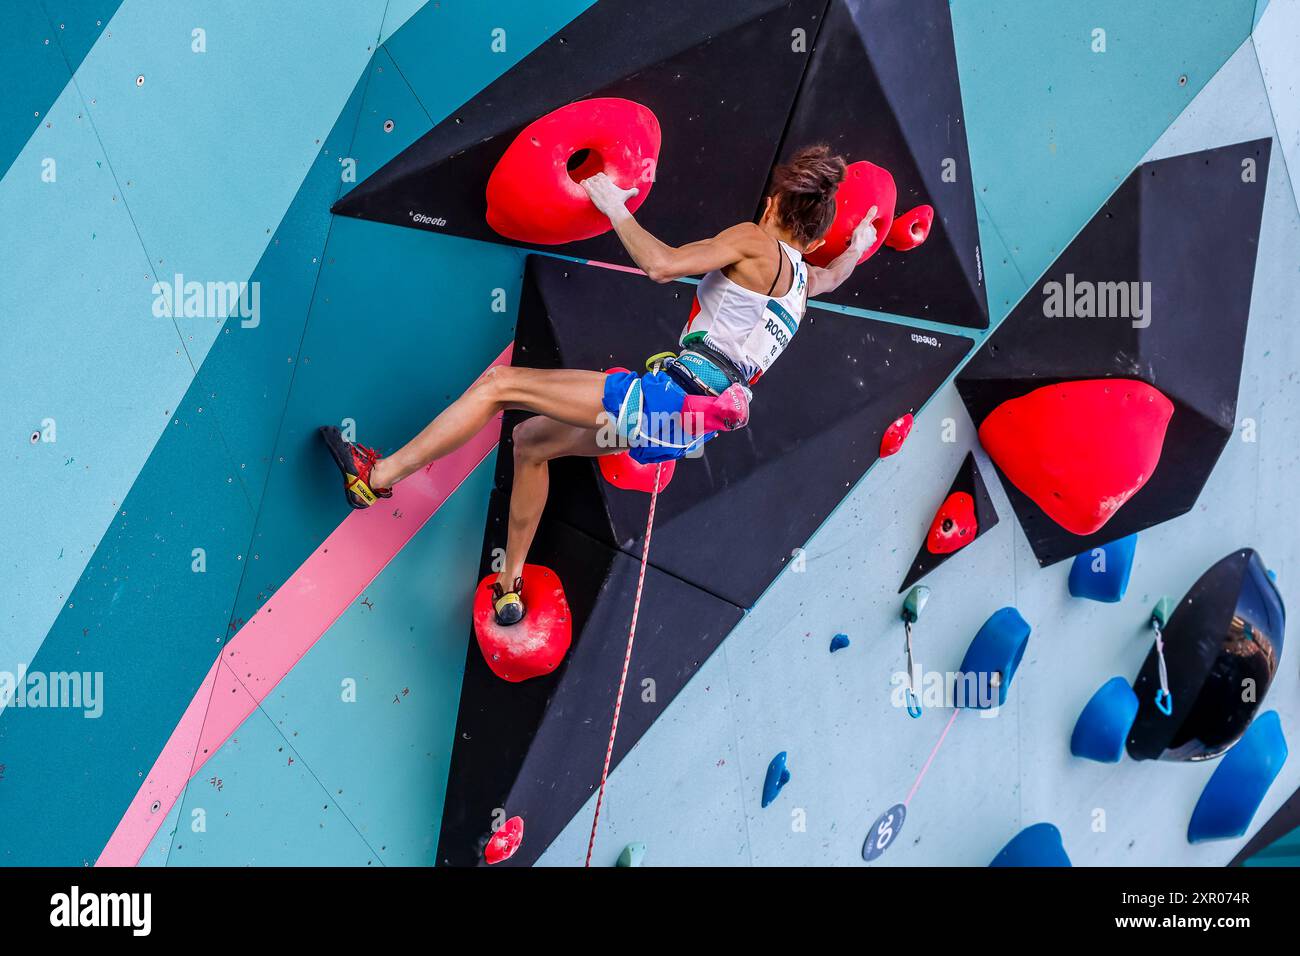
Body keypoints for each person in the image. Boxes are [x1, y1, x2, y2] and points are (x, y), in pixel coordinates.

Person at [320, 144, 880, 626]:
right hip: (681, 433)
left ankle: (377, 475)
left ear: (775, 204)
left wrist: (613, 203)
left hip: (666, 398)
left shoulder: (755, 241)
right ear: (818, 234)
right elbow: (835, 275)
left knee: (499, 386)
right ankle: (508, 587)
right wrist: (857, 247)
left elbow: (661, 265)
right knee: (533, 444)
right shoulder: (805, 284)